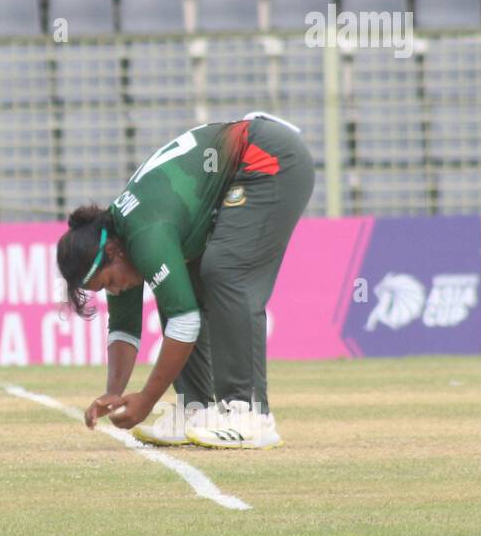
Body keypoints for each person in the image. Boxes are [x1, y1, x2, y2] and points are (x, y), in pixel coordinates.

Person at [56, 113, 313, 449]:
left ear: (115, 252)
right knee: (182, 285)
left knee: (224, 271)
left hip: (270, 156)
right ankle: (197, 409)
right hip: (238, 166)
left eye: (107, 284)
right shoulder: (114, 240)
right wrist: (114, 394)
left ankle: (250, 413)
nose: (114, 291)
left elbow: (184, 322)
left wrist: (147, 399)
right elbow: (123, 327)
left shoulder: (144, 235)